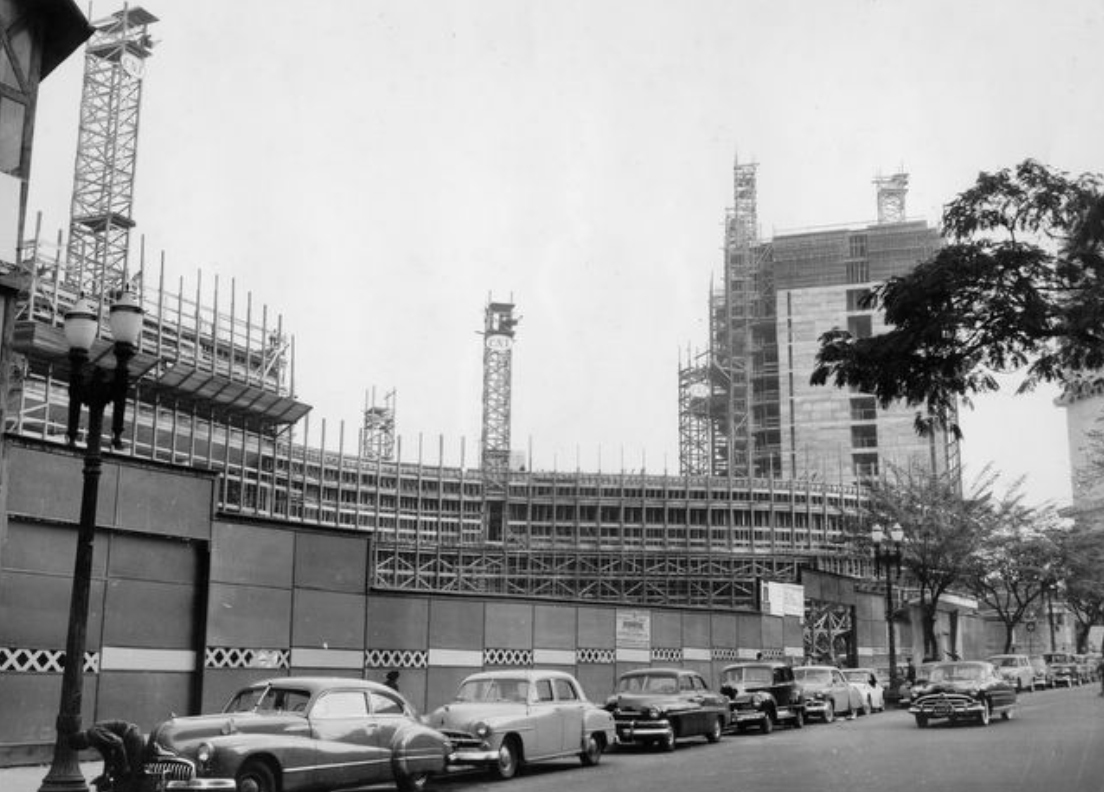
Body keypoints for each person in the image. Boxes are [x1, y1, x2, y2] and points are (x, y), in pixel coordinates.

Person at [69, 719, 145, 792]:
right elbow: (108, 757)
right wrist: (105, 775)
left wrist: (124, 766)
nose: (86, 748)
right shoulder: (94, 738)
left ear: (82, 742)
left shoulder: (93, 733)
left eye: (82, 747)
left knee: (131, 776)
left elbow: (118, 743)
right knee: (122, 776)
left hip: (131, 737)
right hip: (129, 738)